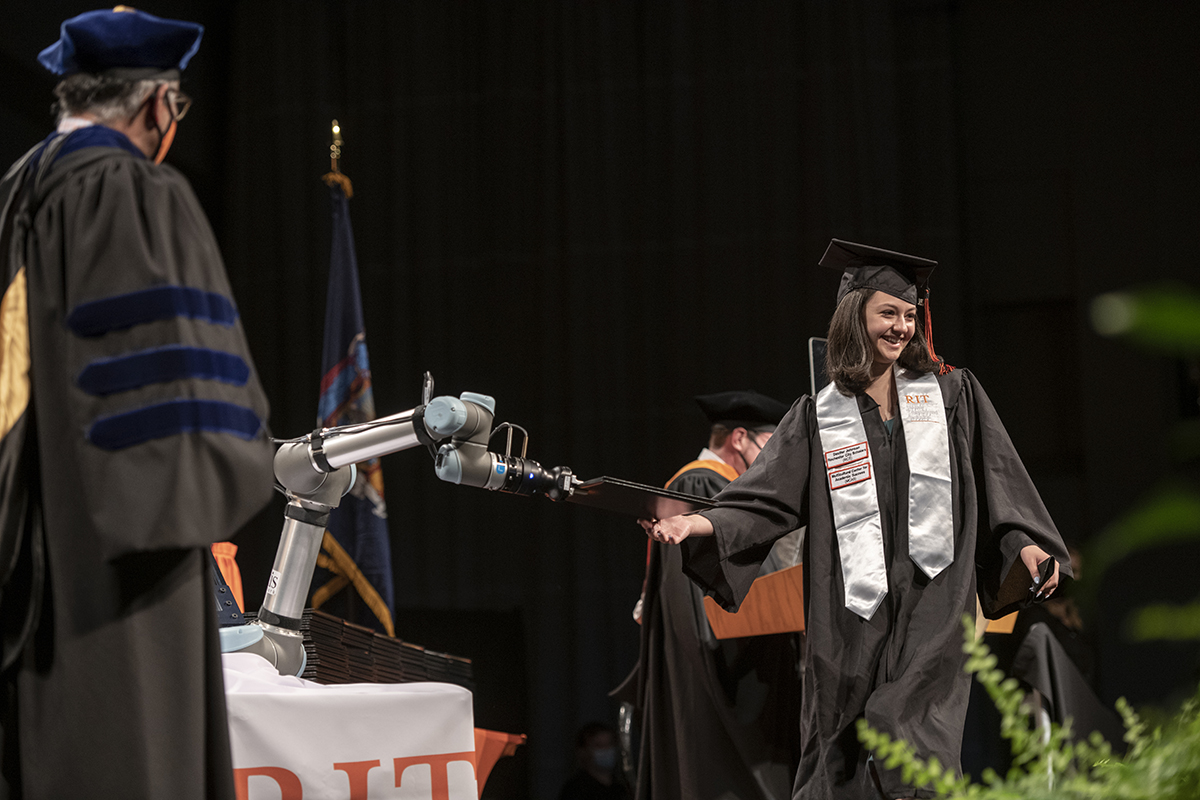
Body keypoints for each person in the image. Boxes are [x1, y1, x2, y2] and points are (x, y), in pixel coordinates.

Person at [641, 239, 1072, 800]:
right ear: (855, 317)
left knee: (921, 746)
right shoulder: (820, 415)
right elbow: (765, 497)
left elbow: (999, 480)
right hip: (847, 613)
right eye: (887, 312)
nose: (901, 327)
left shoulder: (953, 397)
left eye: (910, 315)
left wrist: (1027, 546)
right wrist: (697, 526)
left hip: (933, 605)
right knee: (838, 752)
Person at [0, 9, 274, 799]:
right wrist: (220, 481)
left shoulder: (14, 195)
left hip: (22, 558)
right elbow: (183, 415)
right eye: (175, 111)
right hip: (121, 562)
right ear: (158, 105)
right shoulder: (135, 191)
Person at [618, 391, 801, 800]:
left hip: (741, 661)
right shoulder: (700, 483)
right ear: (740, 438)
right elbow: (707, 598)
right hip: (723, 669)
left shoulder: (732, 492)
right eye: (771, 445)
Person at [559, 722, 633, 800]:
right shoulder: (576, 791)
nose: (606, 750)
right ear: (584, 751)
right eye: (599, 746)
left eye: (610, 744)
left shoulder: (622, 790)